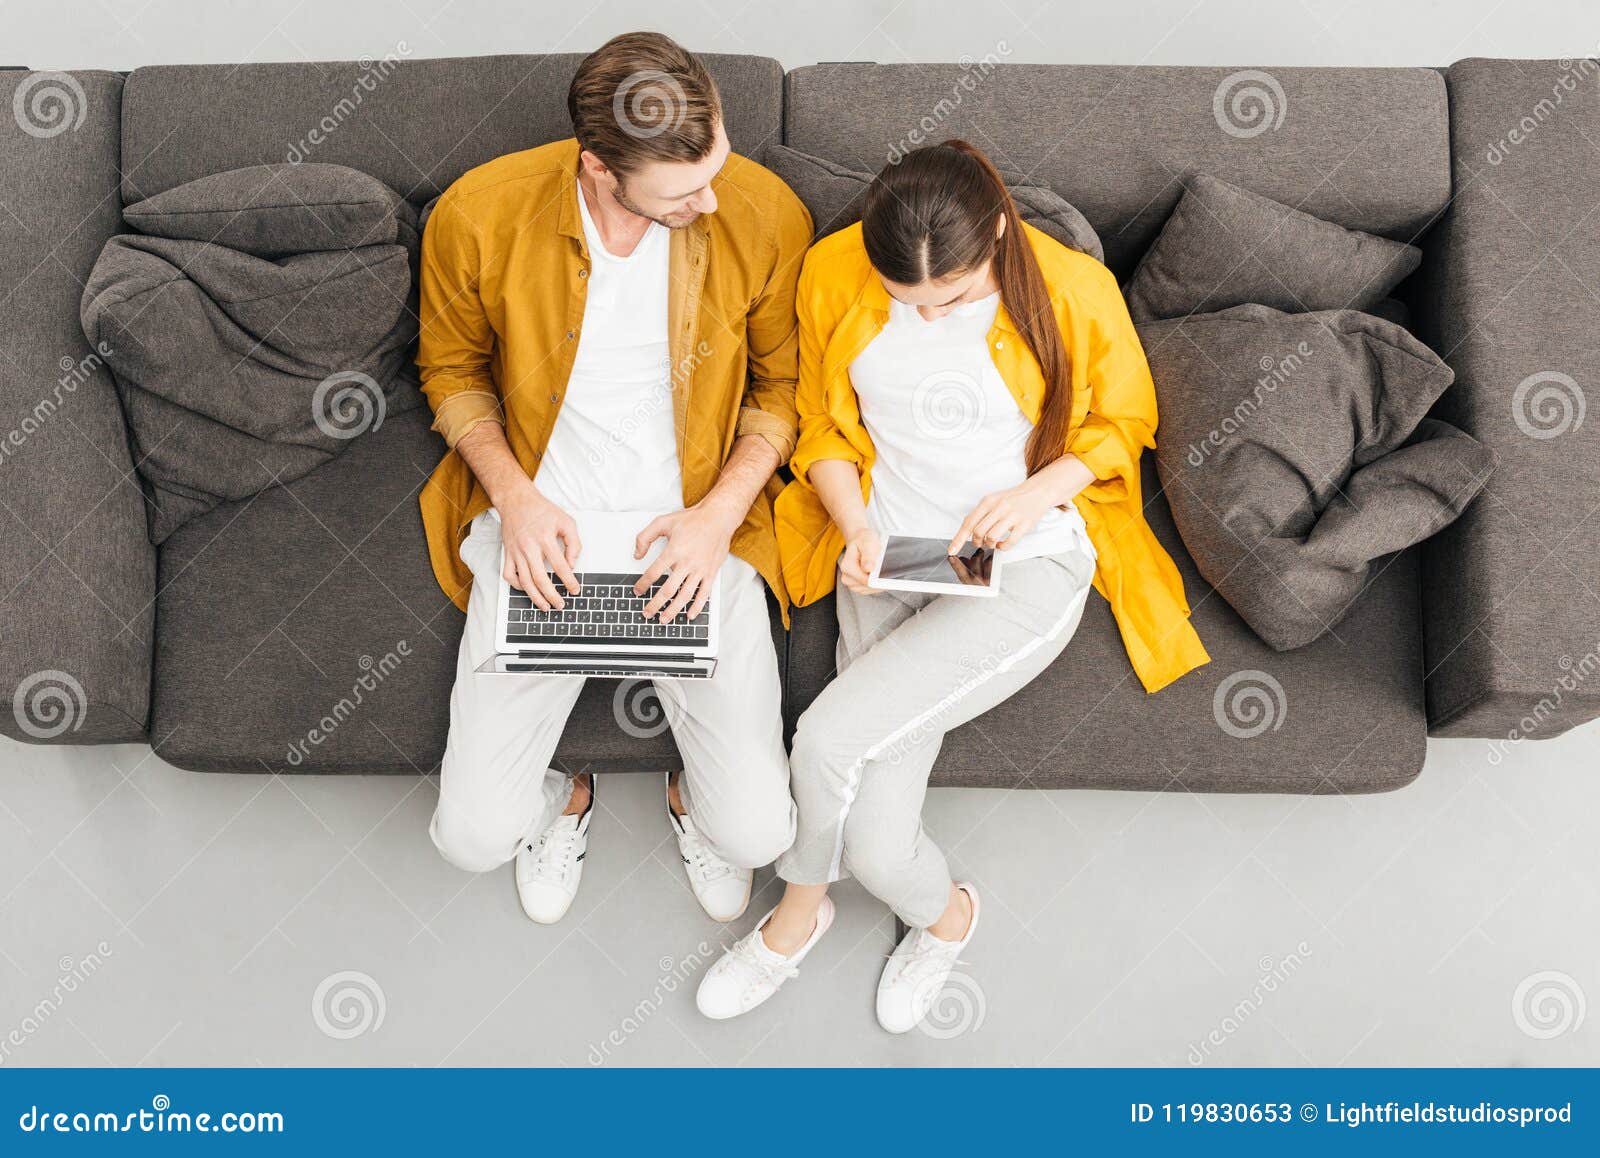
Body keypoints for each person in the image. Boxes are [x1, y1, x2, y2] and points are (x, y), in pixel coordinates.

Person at [697, 140, 1209, 1031]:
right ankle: (949, 919)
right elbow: (822, 428)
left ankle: (794, 919)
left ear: (999, 233)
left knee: (825, 743)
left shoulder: (1073, 288)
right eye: (907, 299)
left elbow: (1125, 420)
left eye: (954, 296)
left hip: (1020, 564)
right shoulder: (832, 272)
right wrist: (855, 528)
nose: (929, 315)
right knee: (874, 841)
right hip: (894, 554)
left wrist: (1034, 493)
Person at [417, 32, 811, 926]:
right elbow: (451, 370)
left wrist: (718, 516)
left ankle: (691, 798)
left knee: (757, 835)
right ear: (598, 168)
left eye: (715, 167)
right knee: (470, 838)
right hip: (540, 525)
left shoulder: (764, 213)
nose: (713, 201)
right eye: (682, 193)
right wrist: (516, 500)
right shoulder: (478, 213)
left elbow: (782, 390)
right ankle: (564, 797)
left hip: (699, 527)